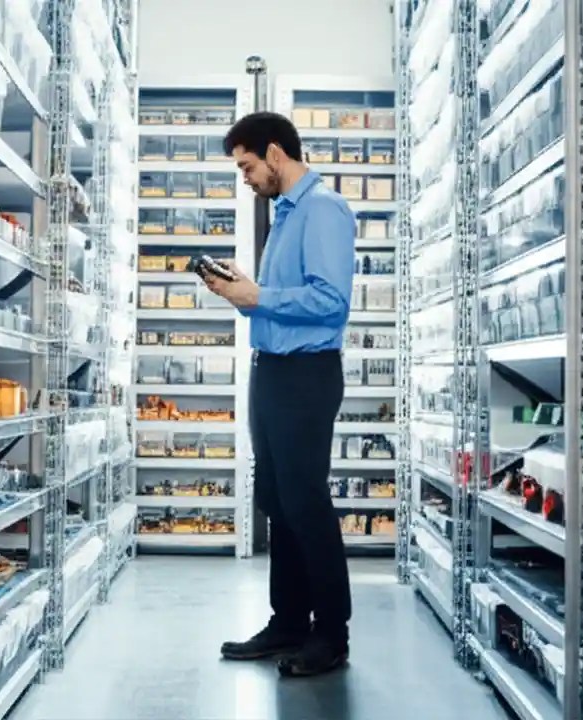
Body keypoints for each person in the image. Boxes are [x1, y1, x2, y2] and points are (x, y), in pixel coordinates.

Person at [199, 111, 355, 678]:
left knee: (307, 502)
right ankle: (288, 621)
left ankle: (331, 633)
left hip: (306, 375)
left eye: (246, 166)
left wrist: (259, 295)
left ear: (274, 153)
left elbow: (331, 301)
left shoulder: (324, 209)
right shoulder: (285, 214)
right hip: (271, 371)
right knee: (276, 498)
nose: (245, 177)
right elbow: (280, 294)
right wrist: (245, 287)